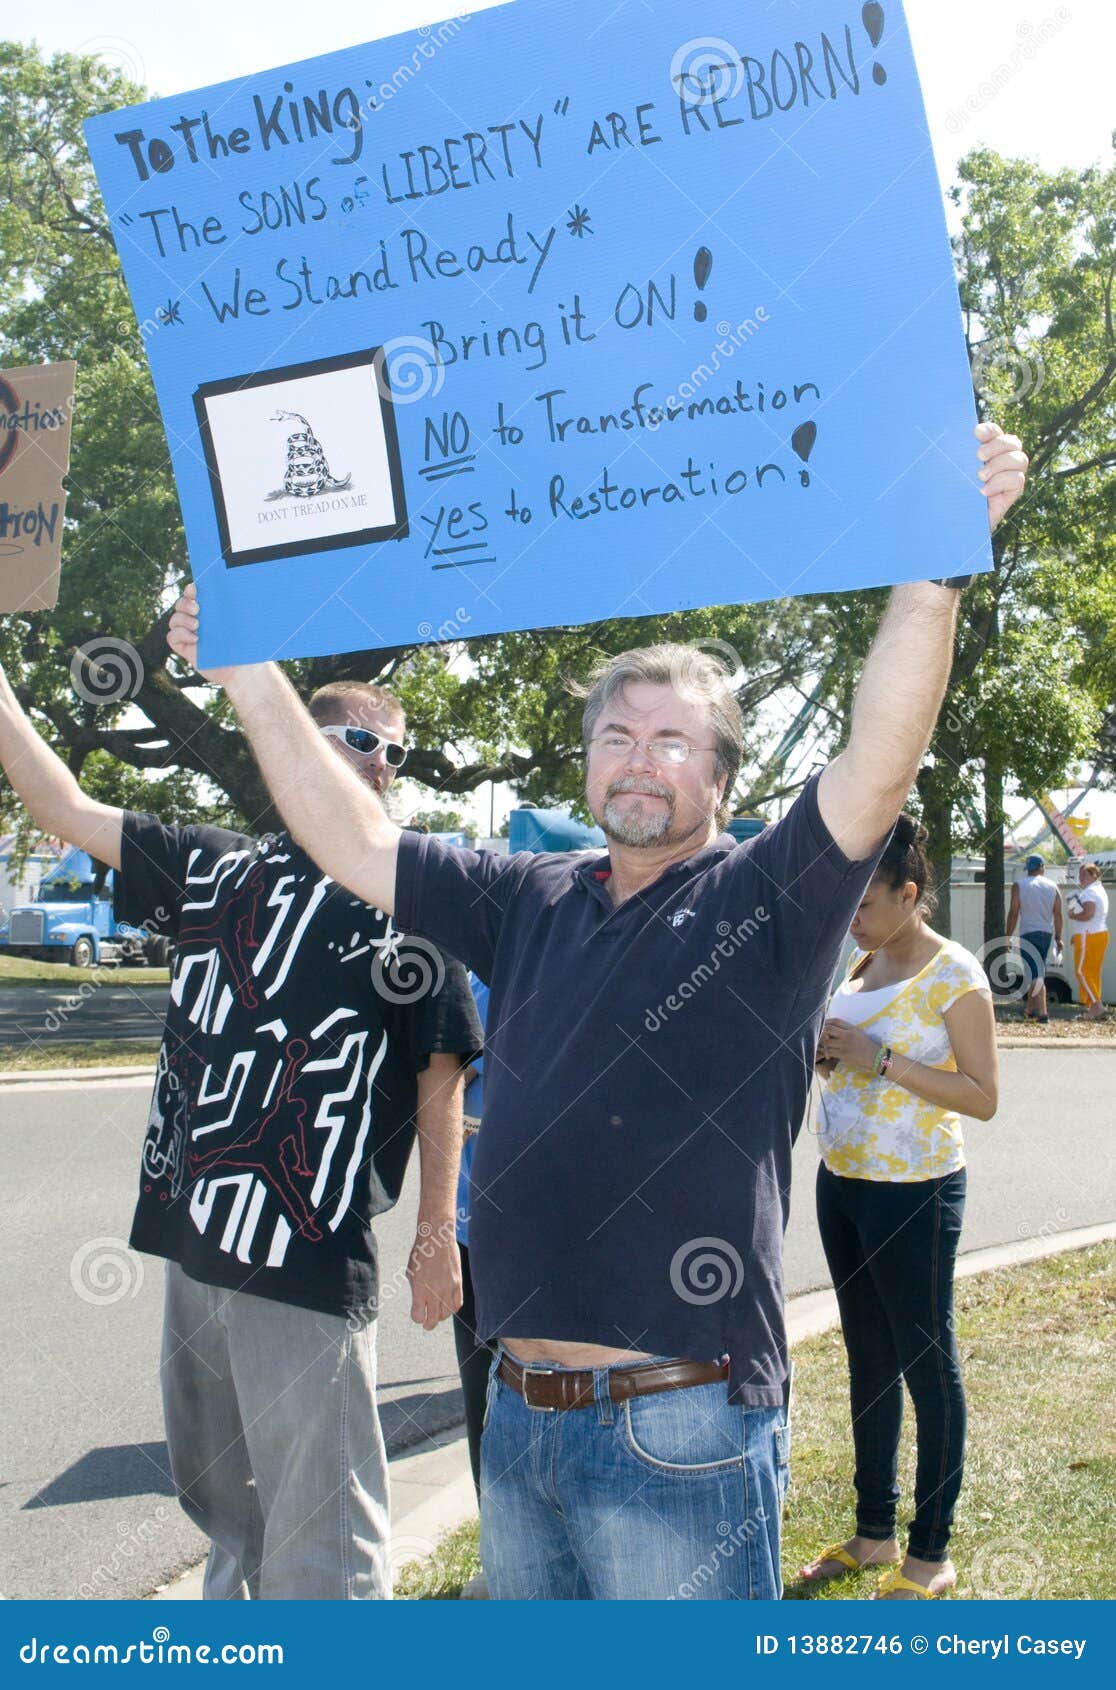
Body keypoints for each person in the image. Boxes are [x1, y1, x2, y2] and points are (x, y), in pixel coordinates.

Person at [168, 423, 1027, 1600]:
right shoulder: (526, 896)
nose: (638, 759)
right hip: (520, 1422)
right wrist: (249, 673)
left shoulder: (765, 903)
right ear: (586, 766)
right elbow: (358, 839)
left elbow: (877, 764)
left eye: (672, 741)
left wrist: (935, 568)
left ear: (721, 780)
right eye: (616, 735)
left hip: (681, 1432)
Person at [0, 669, 481, 1599]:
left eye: (398, 752)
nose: (384, 765)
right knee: (224, 1506)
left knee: (323, 1528)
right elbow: (58, 804)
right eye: (359, 740)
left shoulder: (417, 900)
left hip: (303, 1251)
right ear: (298, 744)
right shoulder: (211, 865)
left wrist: (435, 1235)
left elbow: (440, 1077)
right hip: (193, 1241)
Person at [802, 815, 998, 1600]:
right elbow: (839, 1062)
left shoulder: (956, 975)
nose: (852, 921)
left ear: (911, 894)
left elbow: (982, 1097)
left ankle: (931, 1553)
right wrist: (823, 1054)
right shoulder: (858, 964)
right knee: (868, 1359)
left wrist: (879, 1058)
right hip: (842, 1183)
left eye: (864, 906)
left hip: (915, 1191)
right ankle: (875, 1532)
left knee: (926, 1361)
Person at [451, 971, 495, 1600]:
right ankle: (503, 1554)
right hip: (474, 1228)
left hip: (556, 1236)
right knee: (485, 1400)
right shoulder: (472, 981)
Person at [1006, 852, 1062, 1021]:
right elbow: (1058, 915)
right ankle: (1029, 1009)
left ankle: (1043, 1013)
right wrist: (1058, 938)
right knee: (1035, 971)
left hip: (1028, 933)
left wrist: (1008, 935)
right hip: (1046, 933)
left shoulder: (1019, 885)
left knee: (1036, 974)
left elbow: (1014, 912)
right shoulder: (1053, 887)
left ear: (1028, 869)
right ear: (1042, 867)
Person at [1066, 860, 1110, 1020]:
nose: (1081, 877)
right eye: (1080, 874)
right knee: (1092, 972)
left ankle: (1097, 1006)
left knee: (1082, 972)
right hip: (1097, 933)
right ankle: (1093, 1008)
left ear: (1094, 875)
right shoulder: (1099, 889)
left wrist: (1072, 915)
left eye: (1084, 874)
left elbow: (1088, 914)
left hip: (1089, 935)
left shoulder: (1090, 892)